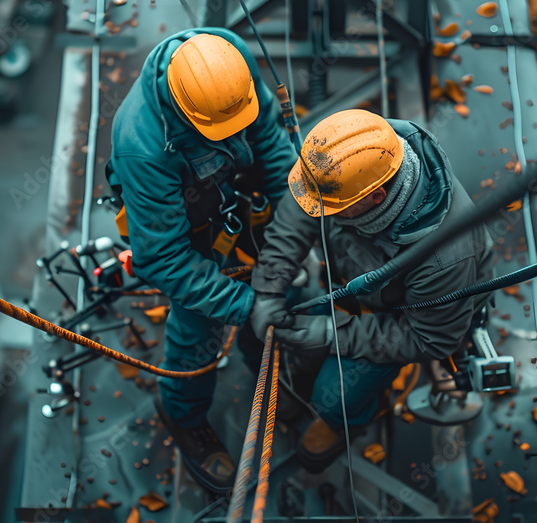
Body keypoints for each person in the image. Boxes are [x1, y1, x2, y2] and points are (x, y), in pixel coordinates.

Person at [249, 109, 495, 473]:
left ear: (376, 198)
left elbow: (431, 340)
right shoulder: (352, 153)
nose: (321, 213)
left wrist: (333, 334)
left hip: (408, 317)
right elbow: (301, 209)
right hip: (355, 282)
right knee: (267, 335)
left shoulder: (445, 259)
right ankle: (303, 380)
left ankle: (346, 419)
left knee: (335, 397)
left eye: (333, 208)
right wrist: (269, 287)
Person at [107, 28, 297, 492]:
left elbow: (269, 143)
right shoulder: (144, 146)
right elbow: (164, 258)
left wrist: (297, 219)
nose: (235, 131)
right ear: (186, 112)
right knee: (197, 331)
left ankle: (269, 365)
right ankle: (182, 413)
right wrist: (244, 305)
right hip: (185, 230)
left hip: (236, 195)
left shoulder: (227, 60)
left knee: (279, 290)